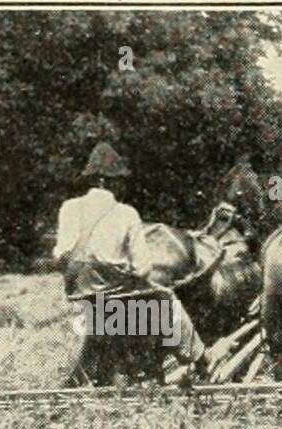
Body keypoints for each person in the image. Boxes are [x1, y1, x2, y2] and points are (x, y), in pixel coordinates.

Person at [53, 142, 208, 377]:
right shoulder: (126, 213)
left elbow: (59, 254)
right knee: (167, 299)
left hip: (79, 291)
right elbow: (143, 268)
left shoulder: (69, 208)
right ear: (107, 181)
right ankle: (196, 357)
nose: (121, 186)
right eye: (118, 180)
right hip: (115, 291)